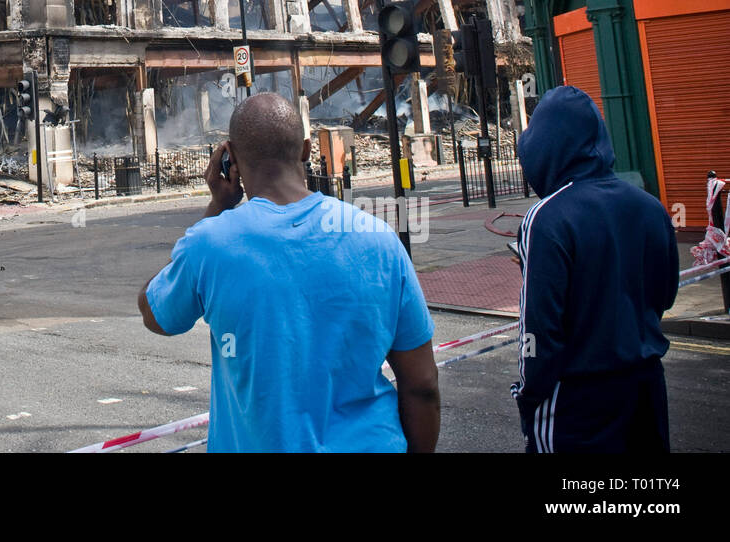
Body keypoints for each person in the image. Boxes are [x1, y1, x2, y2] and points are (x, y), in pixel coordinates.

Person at [137, 92, 439, 453]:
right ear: (307, 150)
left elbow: (154, 313)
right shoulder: (380, 240)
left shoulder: (209, 245)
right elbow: (422, 384)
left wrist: (218, 205)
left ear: (229, 156)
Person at [511, 84, 679, 453]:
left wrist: (528, 393)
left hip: (576, 397)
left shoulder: (548, 217)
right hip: (646, 385)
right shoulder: (650, 207)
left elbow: (539, 327)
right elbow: (664, 294)